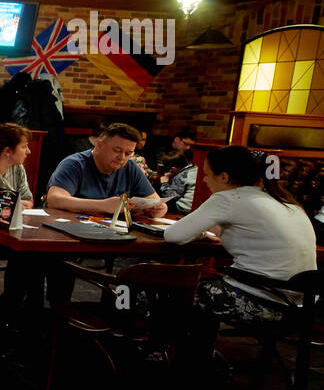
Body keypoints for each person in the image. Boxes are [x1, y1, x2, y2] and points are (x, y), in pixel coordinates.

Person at [164, 145, 316, 339]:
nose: (204, 180)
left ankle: (160, 354)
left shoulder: (228, 198)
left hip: (263, 305)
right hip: (303, 307)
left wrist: (200, 233)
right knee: (204, 288)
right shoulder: (283, 199)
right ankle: (197, 359)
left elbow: (173, 236)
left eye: (207, 174)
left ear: (224, 177)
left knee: (174, 290)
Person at [46, 122, 167, 217]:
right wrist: (103, 205)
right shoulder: (74, 164)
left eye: (128, 153)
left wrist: (159, 209)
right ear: (99, 145)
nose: (122, 157)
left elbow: (155, 201)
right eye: (117, 150)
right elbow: (54, 200)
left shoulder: (130, 166)